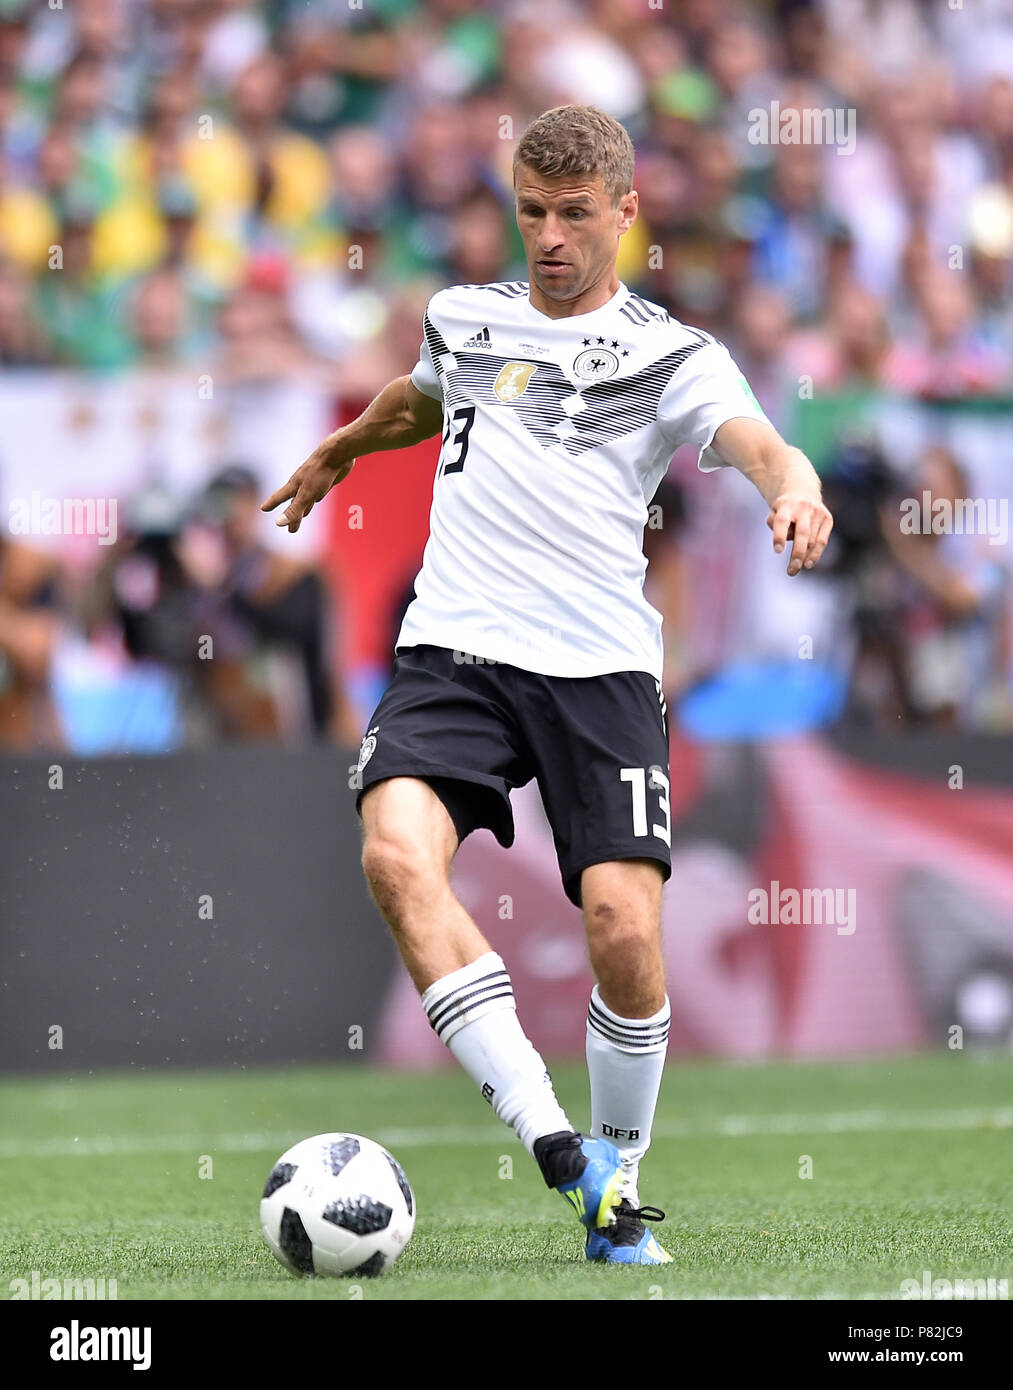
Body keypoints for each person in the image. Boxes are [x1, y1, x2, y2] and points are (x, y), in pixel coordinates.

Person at [262, 105, 833, 1265]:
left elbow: (760, 441)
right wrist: (341, 449)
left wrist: (793, 488)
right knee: (391, 857)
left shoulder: (673, 354)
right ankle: (558, 1151)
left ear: (626, 211)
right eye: (532, 212)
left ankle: (620, 1172)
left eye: (574, 214)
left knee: (623, 923)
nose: (550, 237)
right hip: (453, 654)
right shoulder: (462, 318)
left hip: (599, 669)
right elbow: (419, 399)